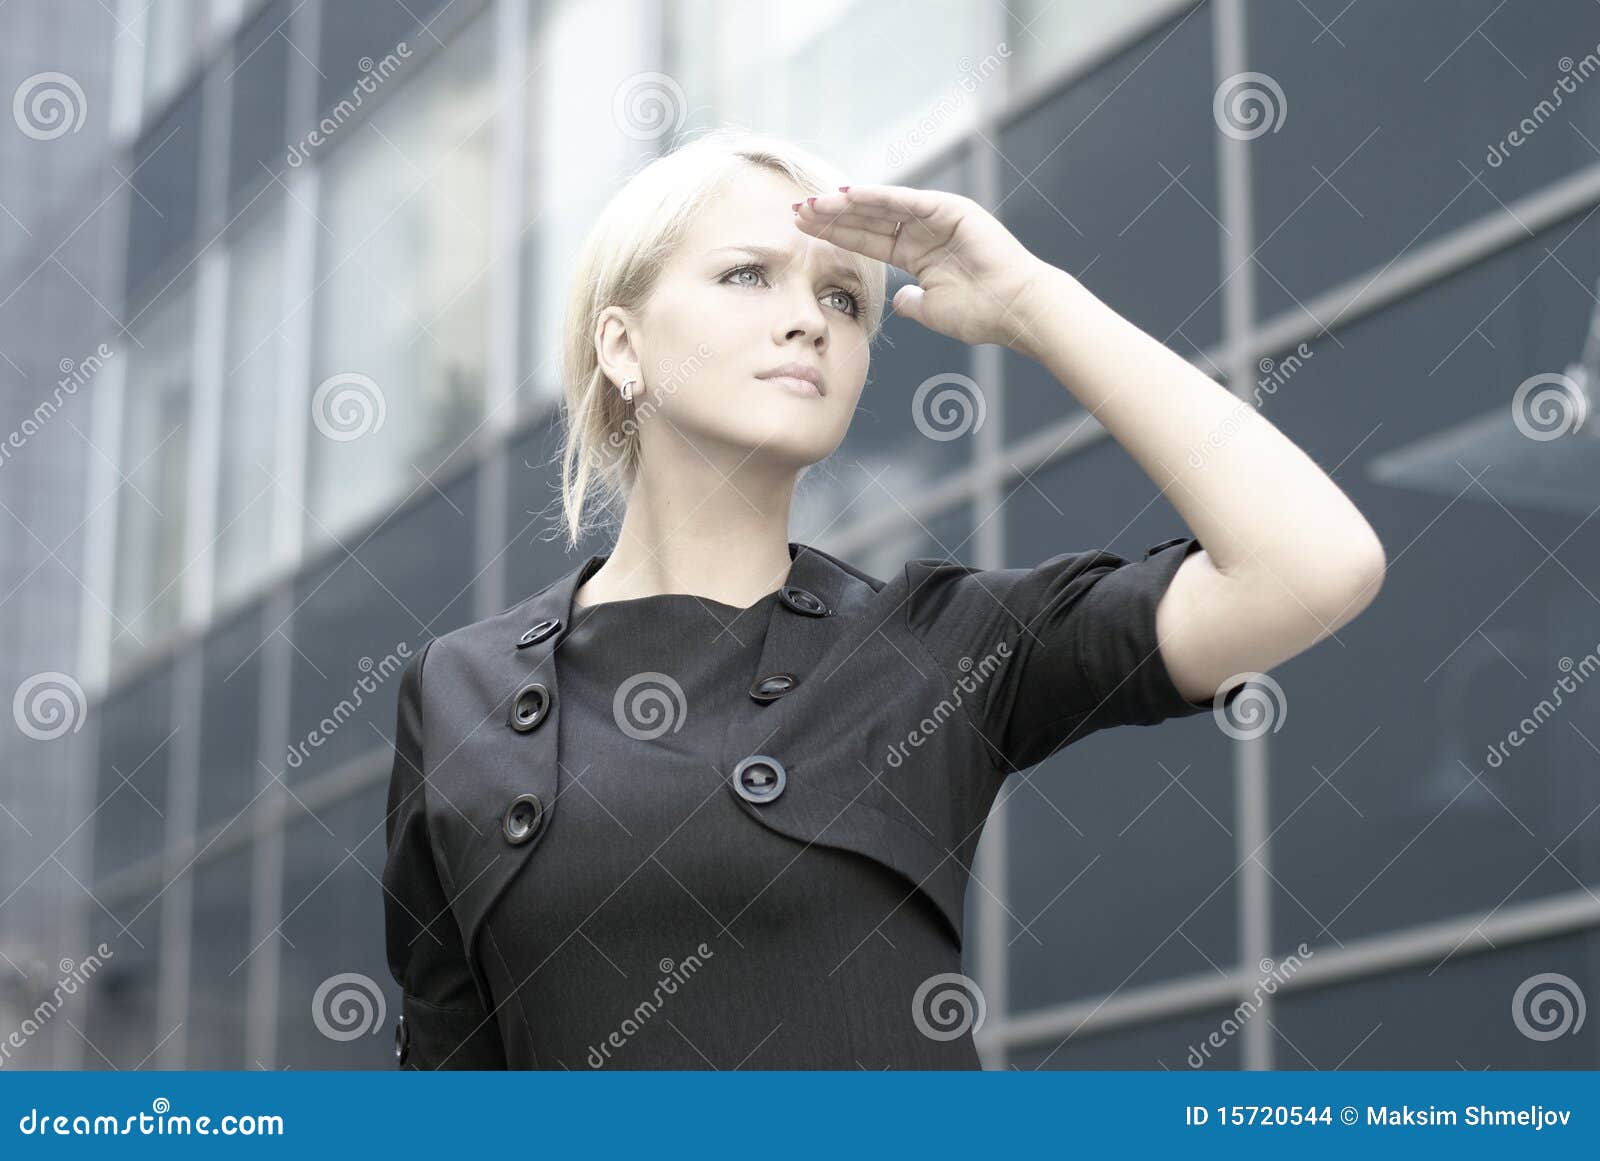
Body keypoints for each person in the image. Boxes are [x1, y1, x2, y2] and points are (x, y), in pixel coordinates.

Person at [382, 126, 1386, 1070]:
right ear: (622, 346)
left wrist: (1033, 301)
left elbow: (1312, 565)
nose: (804, 320)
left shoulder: (937, 645)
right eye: (746, 274)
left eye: (844, 300)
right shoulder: (456, 693)